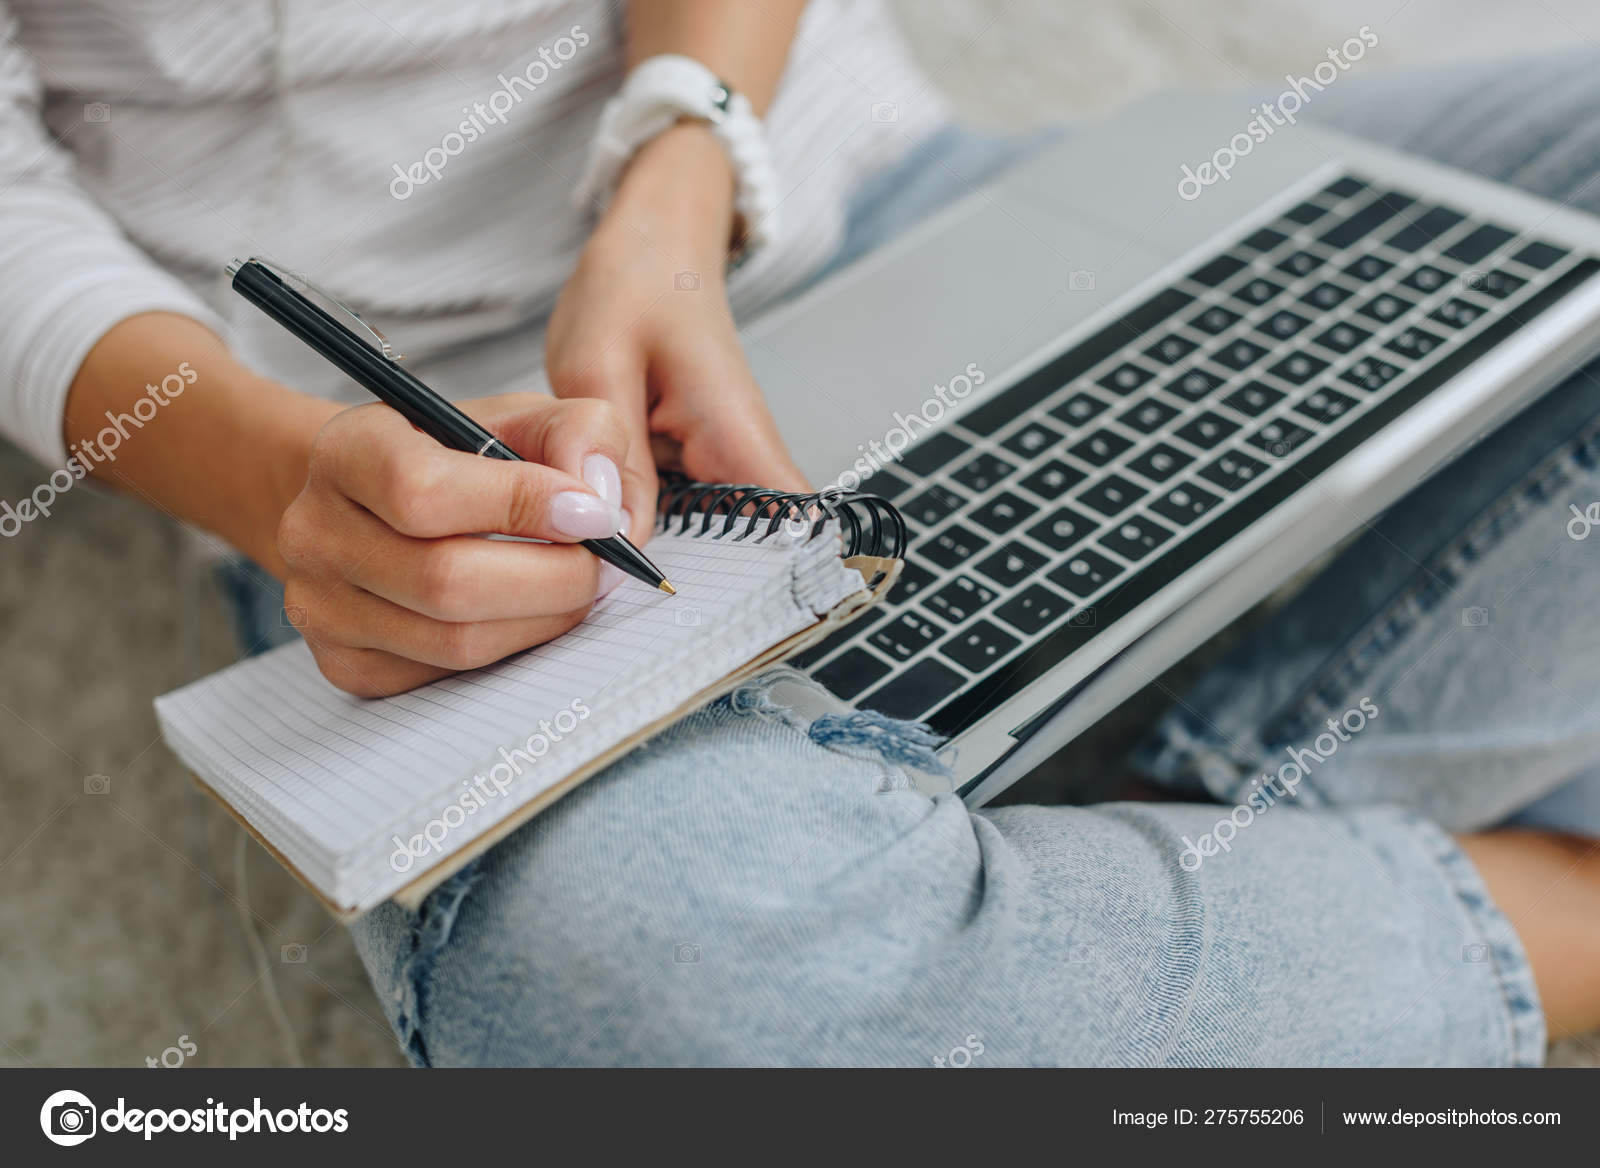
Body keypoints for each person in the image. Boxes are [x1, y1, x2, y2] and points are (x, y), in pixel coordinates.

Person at [3, 0, 1599, 1065]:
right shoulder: (355, 480)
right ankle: (1537, 905)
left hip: (874, 194)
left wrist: (683, 170)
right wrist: (289, 482)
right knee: (644, 982)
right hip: (404, 459)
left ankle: (1123, 868)